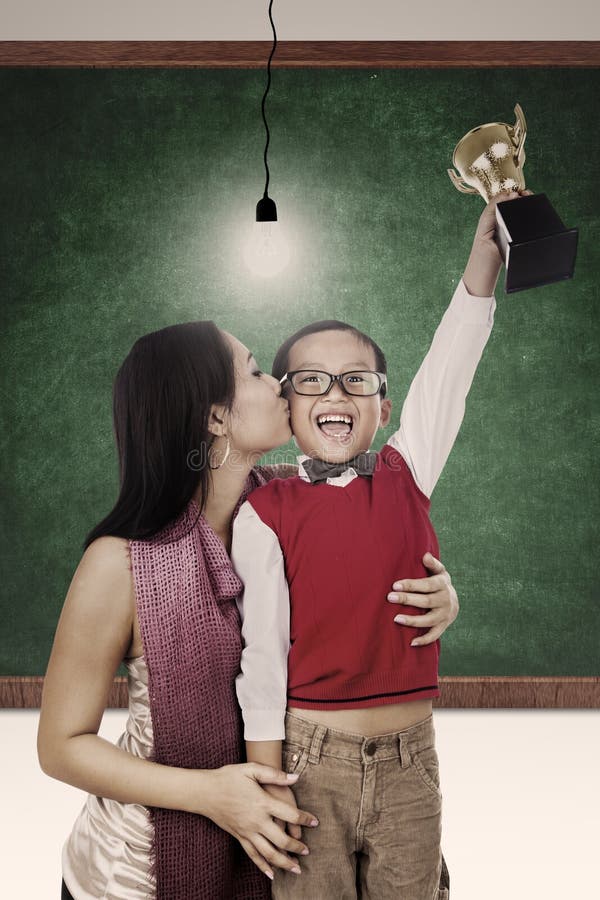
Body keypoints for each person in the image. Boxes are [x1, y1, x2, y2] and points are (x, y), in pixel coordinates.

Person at [37, 314, 460, 900]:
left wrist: (440, 593)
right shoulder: (119, 564)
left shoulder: (292, 500)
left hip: (272, 854)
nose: (280, 386)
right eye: (258, 371)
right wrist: (212, 793)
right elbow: (61, 748)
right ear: (216, 417)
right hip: (136, 875)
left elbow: (376, 547)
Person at [231, 191, 528, 900]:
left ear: (385, 408)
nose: (336, 394)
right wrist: (267, 782)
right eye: (311, 382)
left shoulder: (405, 470)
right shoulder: (262, 505)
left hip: (411, 760)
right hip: (307, 757)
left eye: (357, 382)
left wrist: (486, 253)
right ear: (286, 406)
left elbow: (451, 365)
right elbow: (263, 660)